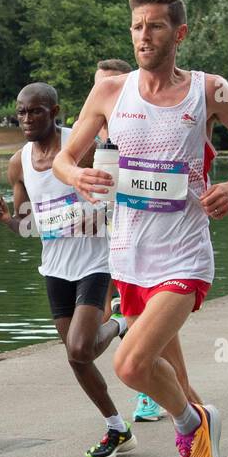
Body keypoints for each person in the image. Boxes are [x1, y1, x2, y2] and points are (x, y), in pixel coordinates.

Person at [54, 0, 228, 457]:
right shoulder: (109, 90)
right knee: (175, 379)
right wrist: (76, 176)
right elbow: (63, 157)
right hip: (129, 259)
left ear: (180, 33)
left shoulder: (209, 90)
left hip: (185, 254)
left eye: (154, 27)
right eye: (135, 27)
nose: (143, 36)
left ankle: (190, 427)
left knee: (130, 366)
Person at [0, 83, 131, 457]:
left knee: (81, 346)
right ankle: (117, 427)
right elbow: (27, 226)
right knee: (76, 358)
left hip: (95, 262)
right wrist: (8, 219)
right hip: (55, 267)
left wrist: (97, 208)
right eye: (21, 112)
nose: (26, 119)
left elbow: (114, 190)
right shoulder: (18, 163)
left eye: (35, 111)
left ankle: (121, 322)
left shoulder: (79, 148)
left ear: (54, 112)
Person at [94, 58, 167, 425]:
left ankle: (163, 397)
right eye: (97, 85)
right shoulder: (94, 136)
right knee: (130, 317)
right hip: (111, 238)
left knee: (147, 321)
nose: (102, 92)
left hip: (154, 241)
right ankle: (178, 401)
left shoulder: (146, 125)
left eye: (109, 85)